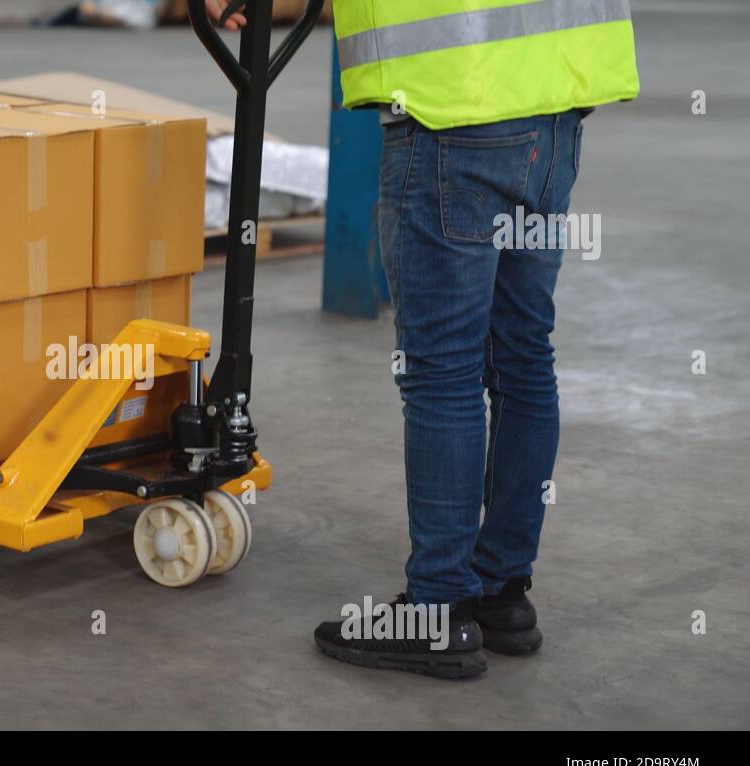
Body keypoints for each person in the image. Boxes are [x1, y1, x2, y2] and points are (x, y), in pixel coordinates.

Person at [204, 0, 640, 678]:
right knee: (524, 356)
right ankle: (502, 593)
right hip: (554, 113)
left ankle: (438, 607)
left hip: (454, 111)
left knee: (444, 371)